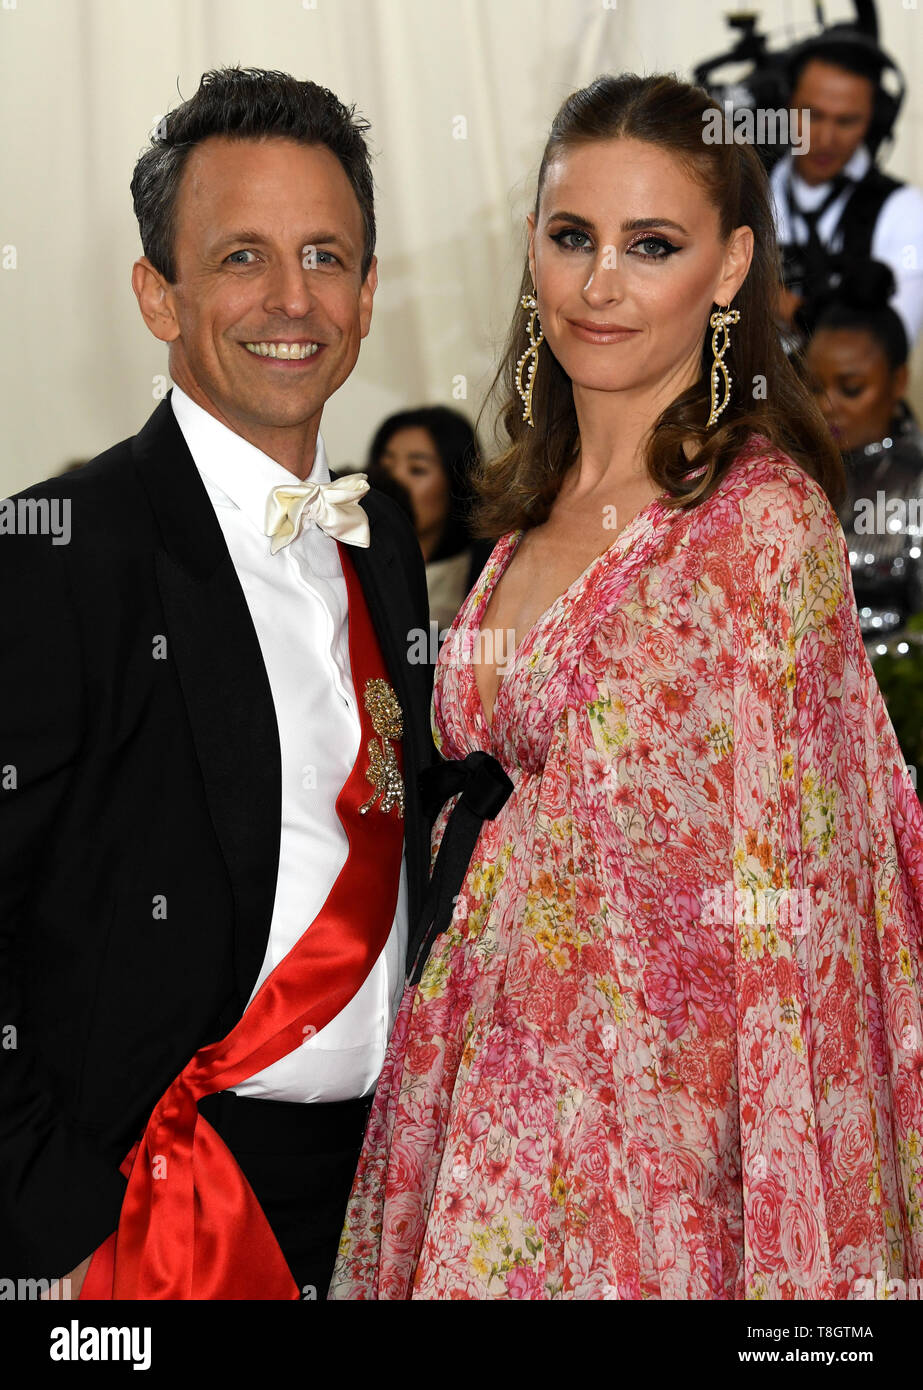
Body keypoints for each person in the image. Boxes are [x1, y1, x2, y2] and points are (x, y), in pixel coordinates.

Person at [329, 71, 923, 1301]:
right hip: (462, 1113)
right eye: (570, 236)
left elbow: (802, 914)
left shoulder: (759, 529)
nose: (599, 283)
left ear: (726, 266)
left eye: (649, 244)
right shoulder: (517, 512)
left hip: (650, 1179)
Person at [0, 66, 435, 1301]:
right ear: (158, 293)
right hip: (154, 1204)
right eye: (241, 256)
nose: (292, 299)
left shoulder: (382, 538)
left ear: (364, 289)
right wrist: (58, 1220)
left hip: (378, 1191)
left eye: (326, 255)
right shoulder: (56, 554)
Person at [770, 26, 923, 351]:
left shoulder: (904, 210)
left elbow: (882, 347)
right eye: (812, 116)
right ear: (785, 104)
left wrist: (784, 307)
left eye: (846, 121)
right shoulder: (742, 188)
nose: (826, 139)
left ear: (875, 121)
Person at [802, 260, 923, 640]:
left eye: (850, 388)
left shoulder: (917, 483)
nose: (827, 406)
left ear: (898, 380)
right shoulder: (786, 472)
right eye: (814, 387)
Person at [368, 406, 495, 633]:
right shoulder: (358, 563)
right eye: (386, 467)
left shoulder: (485, 580)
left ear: (457, 483)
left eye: (417, 470)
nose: (395, 481)